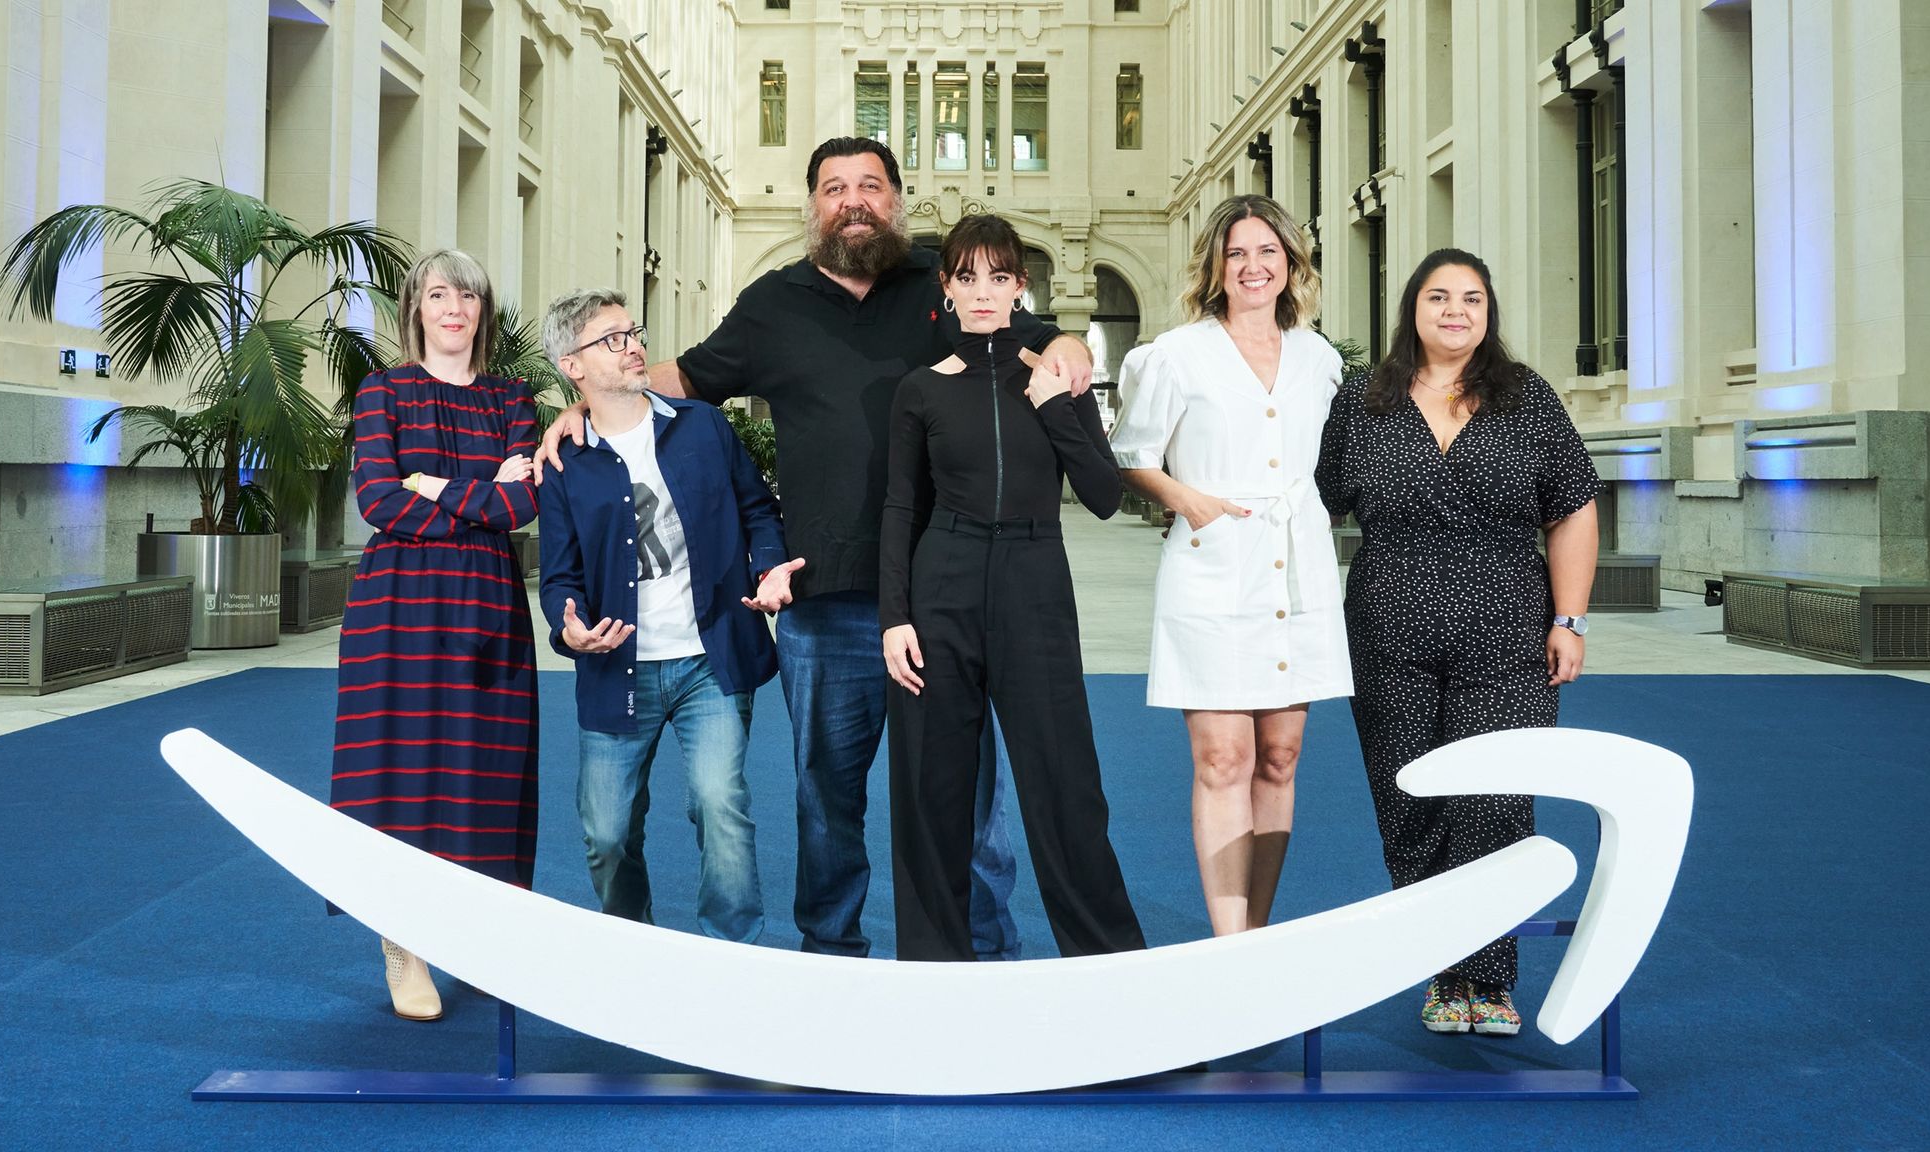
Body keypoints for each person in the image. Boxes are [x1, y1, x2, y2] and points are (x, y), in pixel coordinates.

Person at [534, 137, 1096, 959]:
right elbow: (686, 376)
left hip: (944, 593)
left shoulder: (940, 282)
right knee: (826, 798)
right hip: (825, 603)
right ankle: (832, 953)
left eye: (870, 185)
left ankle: (980, 953)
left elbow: (1037, 336)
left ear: (897, 199)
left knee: (968, 793)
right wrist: (585, 400)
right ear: (813, 207)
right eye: (834, 188)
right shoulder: (774, 302)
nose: (852, 200)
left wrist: (1072, 347)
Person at [1315, 248, 1599, 1037]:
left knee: (1497, 800)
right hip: (1387, 631)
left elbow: (1573, 507)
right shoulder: (1363, 401)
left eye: (1471, 298)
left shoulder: (1525, 398)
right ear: (1413, 308)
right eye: (1438, 296)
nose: (1455, 311)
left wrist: (1570, 619)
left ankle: (1491, 977)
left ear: (1488, 312)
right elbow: (1310, 504)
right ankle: (1442, 970)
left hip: (1507, 632)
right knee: (1409, 801)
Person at [880, 215, 1147, 962]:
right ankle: (934, 966)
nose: (982, 292)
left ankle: (1109, 966)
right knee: (932, 787)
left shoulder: (1056, 376)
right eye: (967, 277)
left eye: (998, 277)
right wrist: (894, 617)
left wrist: (1053, 404)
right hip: (942, 586)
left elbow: (1104, 495)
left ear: (1020, 286)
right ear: (946, 287)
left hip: (1035, 583)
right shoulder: (920, 389)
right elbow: (901, 507)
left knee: (1067, 784)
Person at [1109, 195, 1353, 938]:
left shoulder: (1320, 359)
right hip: (1213, 569)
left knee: (1280, 755)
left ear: (1290, 262)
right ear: (1215, 266)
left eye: (1267, 251)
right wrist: (1190, 501)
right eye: (1236, 253)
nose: (1253, 266)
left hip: (1298, 567)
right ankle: (1229, 944)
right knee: (1223, 757)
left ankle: (1259, 937)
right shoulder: (1175, 355)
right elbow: (1131, 453)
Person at [534, 288, 804, 943]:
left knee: (720, 803)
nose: (633, 347)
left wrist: (769, 567)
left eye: (633, 333)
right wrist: (568, 626)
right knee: (607, 833)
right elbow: (560, 573)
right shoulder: (565, 463)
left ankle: (731, 955)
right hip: (617, 667)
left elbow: (758, 510)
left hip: (710, 658)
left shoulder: (702, 427)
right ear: (573, 366)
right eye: (613, 340)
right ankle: (635, 945)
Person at [330, 248, 540, 1021]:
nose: (455, 309)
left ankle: (477, 932)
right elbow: (380, 501)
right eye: (440, 295)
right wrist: (481, 495)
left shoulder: (513, 399)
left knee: (486, 769)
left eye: (469, 296)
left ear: (483, 311)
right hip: (399, 604)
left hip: (489, 603)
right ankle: (404, 942)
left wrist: (436, 485)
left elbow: (524, 506)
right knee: (402, 769)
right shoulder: (382, 391)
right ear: (416, 308)